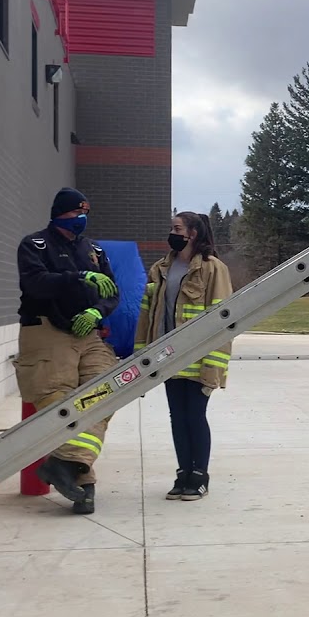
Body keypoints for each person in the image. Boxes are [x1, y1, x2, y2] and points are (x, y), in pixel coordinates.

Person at [15, 187, 120, 515]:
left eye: (85, 213)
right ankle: (83, 484)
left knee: (107, 391)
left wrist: (98, 312)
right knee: (60, 404)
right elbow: (35, 283)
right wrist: (76, 277)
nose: (82, 220)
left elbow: (111, 290)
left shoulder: (95, 250)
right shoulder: (35, 244)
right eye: (76, 214)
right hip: (47, 331)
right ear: (60, 214)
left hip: (88, 333)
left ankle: (63, 465)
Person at [134, 212, 233, 501]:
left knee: (195, 415)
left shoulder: (214, 269)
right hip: (167, 357)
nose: (172, 232)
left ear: (193, 233)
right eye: (172, 228)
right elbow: (146, 317)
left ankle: (199, 475)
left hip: (199, 357)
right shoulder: (161, 268)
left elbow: (223, 320)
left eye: (177, 228)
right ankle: (183, 474)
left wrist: (214, 367)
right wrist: (143, 357)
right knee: (177, 417)